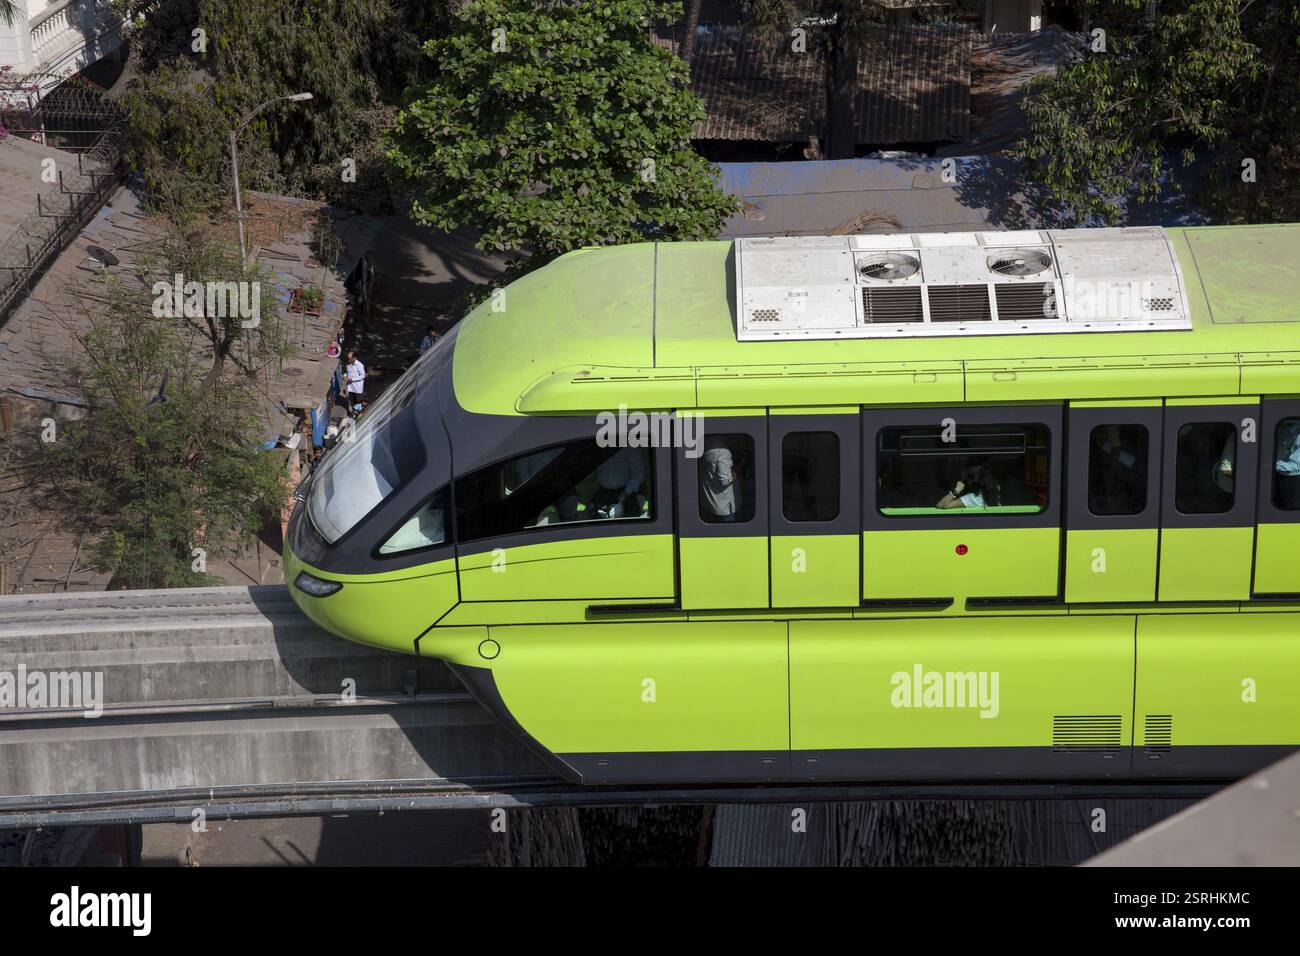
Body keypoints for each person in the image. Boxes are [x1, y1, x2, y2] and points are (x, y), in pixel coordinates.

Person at [593, 447, 645, 518]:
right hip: (603, 493)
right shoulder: (596, 449)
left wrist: (627, 492)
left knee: (631, 523)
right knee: (601, 525)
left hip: (628, 492)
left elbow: (639, 474)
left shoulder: (629, 447)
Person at [701, 440, 739, 520]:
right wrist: (736, 474)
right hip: (724, 507)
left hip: (708, 503)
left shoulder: (705, 444)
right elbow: (725, 480)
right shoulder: (723, 452)